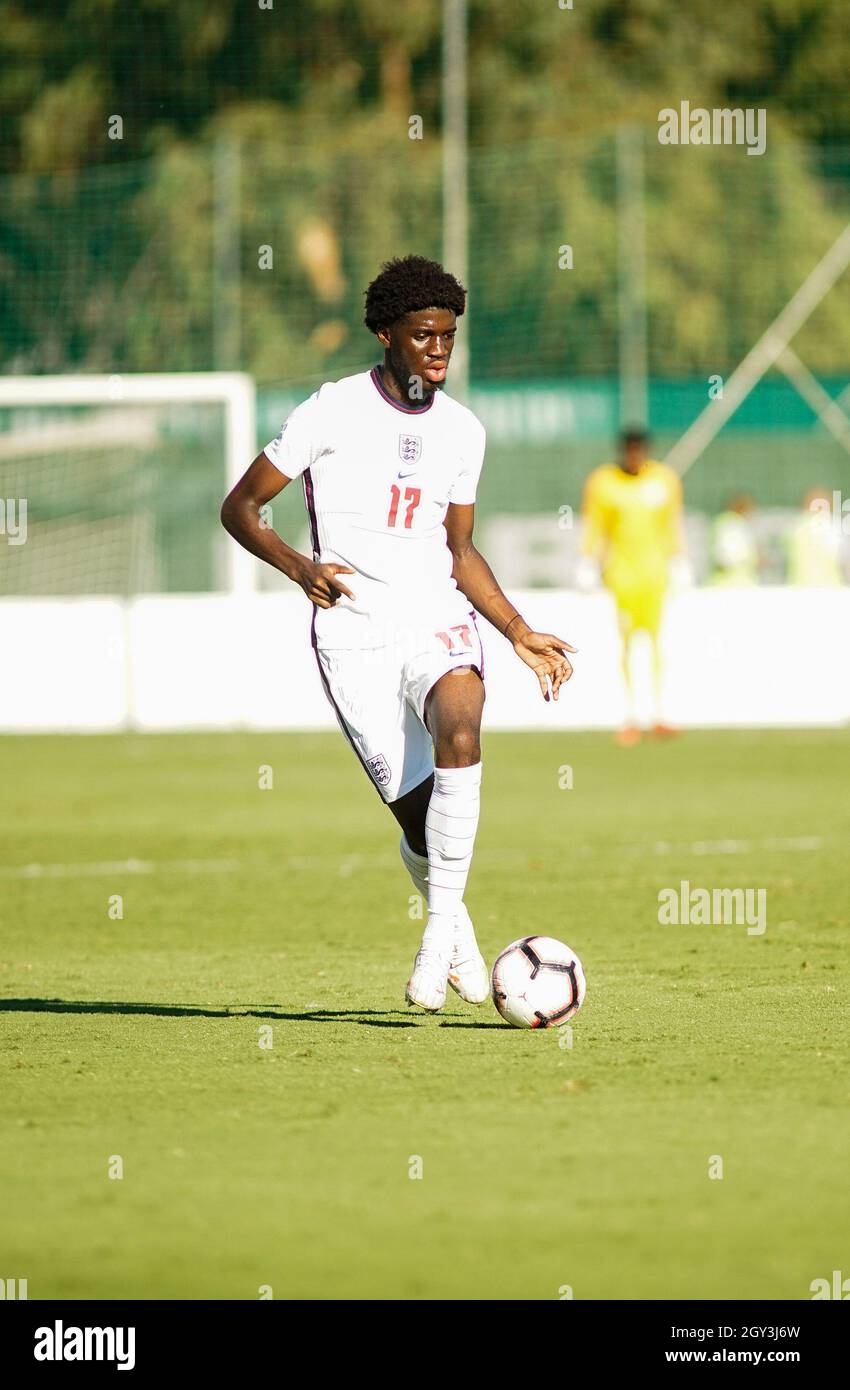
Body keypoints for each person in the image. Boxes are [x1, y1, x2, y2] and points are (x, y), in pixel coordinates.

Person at [220, 255, 576, 1013]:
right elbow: (241, 509)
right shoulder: (330, 411)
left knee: (462, 724)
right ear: (385, 334)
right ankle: (462, 938)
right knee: (418, 822)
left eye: (449, 336)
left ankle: (435, 936)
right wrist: (296, 566)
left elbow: (459, 552)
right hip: (351, 635)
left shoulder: (464, 433)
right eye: (423, 336)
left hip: (435, 622)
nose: (439, 351)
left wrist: (515, 630)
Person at [580, 428, 683, 744]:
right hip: (621, 575)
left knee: (657, 643)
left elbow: (672, 523)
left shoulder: (664, 480)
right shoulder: (604, 482)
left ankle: (659, 713)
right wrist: (586, 560)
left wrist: (679, 558)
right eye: (630, 450)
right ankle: (629, 715)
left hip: (656, 574)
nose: (635, 456)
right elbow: (594, 524)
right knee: (624, 644)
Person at [709, 493, 759, 586]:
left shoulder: (729, 523)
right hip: (731, 587)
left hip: (735, 586)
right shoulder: (731, 525)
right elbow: (727, 558)